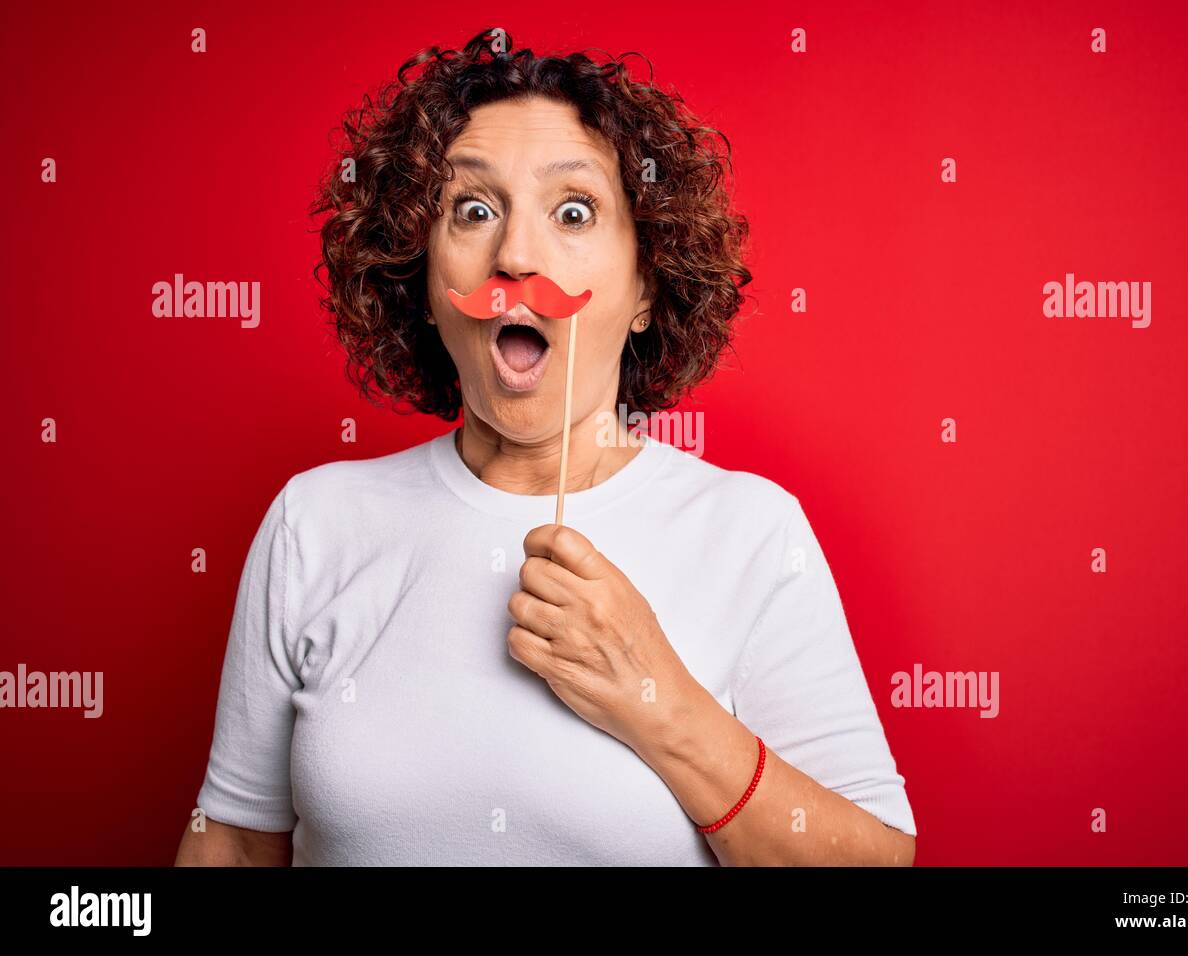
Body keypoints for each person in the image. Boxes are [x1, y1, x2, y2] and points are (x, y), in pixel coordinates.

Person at [175, 28, 916, 866]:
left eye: (573, 211)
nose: (517, 255)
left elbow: (873, 863)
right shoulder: (313, 523)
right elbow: (232, 839)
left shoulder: (751, 532)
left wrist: (655, 698)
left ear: (646, 284)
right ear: (422, 283)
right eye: (473, 210)